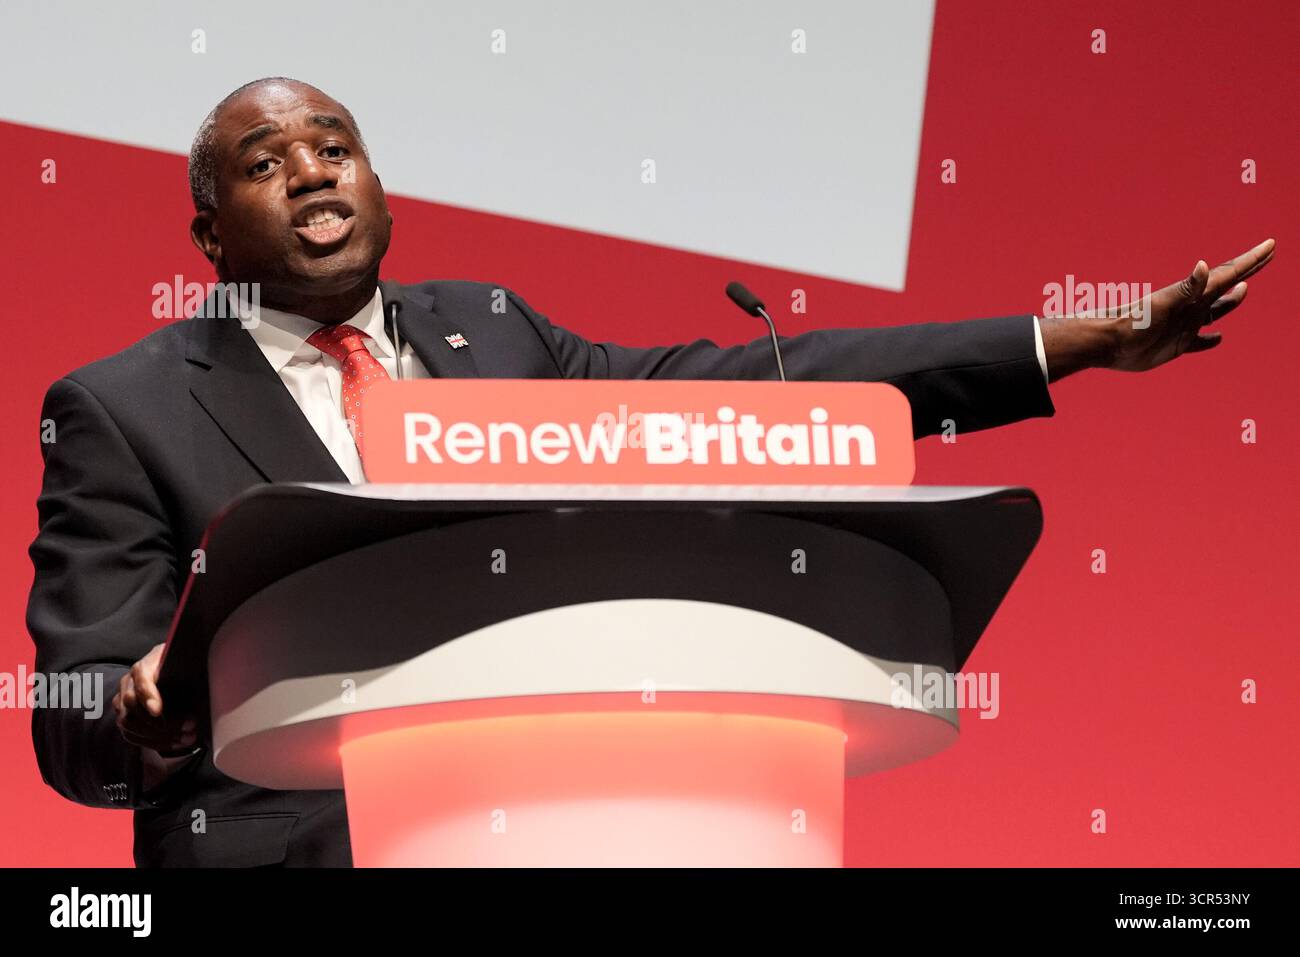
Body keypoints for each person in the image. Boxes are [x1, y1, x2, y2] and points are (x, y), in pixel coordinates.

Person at [26, 76, 1275, 866]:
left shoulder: (498, 334)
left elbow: (762, 386)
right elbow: (73, 722)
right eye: (265, 160)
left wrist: (1067, 344)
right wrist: (146, 700)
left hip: (578, 825)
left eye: (335, 146)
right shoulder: (124, 407)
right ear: (207, 237)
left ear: (377, 186)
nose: (311, 169)